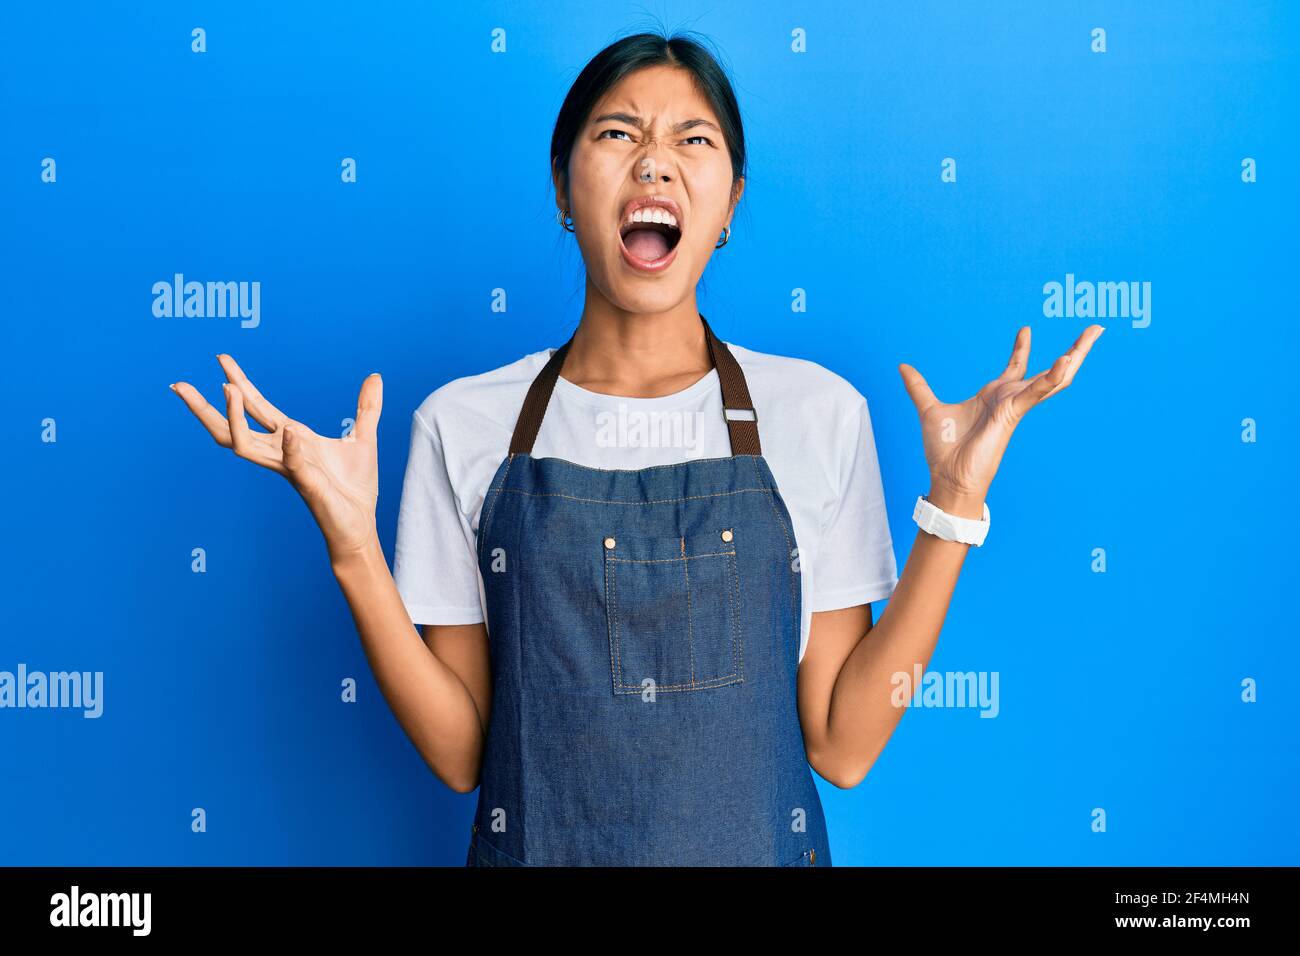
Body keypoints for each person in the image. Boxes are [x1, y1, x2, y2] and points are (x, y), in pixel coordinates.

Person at [170, 31, 1102, 867]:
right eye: (618, 134)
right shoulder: (464, 423)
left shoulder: (817, 412)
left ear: (729, 202)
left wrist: (956, 505)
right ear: (564, 187)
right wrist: (351, 545)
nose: (655, 163)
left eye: (693, 141)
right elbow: (461, 756)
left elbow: (842, 744)